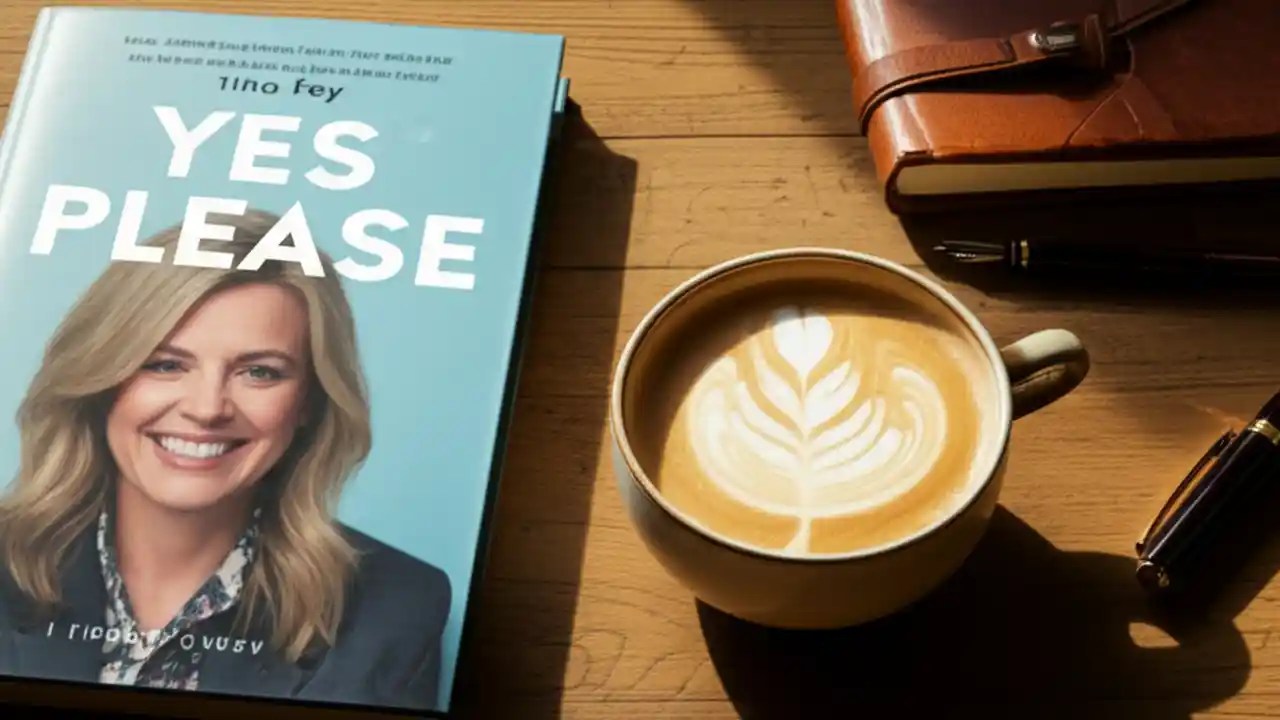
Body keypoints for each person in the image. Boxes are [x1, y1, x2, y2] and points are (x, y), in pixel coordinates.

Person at [0, 209, 451, 711]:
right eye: (165, 364)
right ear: (102, 382)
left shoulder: (397, 606)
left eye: (259, 372)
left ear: (308, 402)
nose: (207, 407)